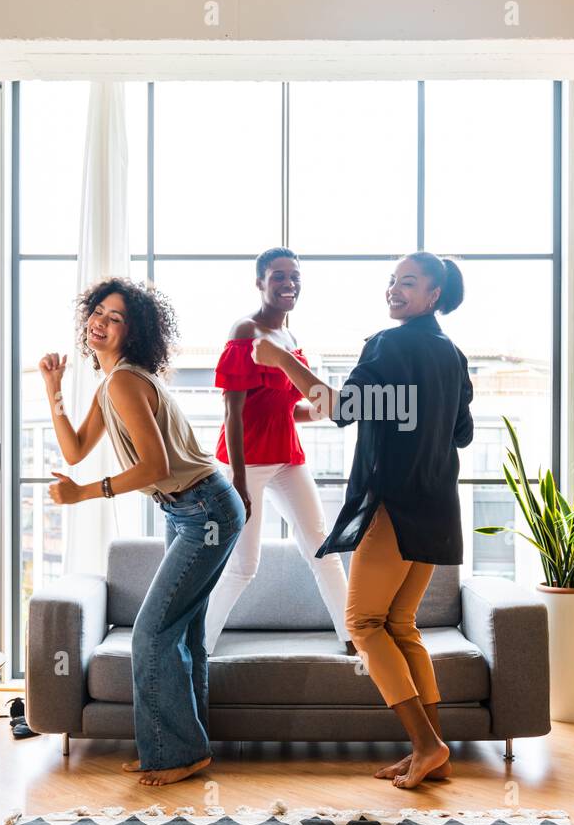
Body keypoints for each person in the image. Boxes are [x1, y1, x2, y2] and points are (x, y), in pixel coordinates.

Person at [252, 252, 473, 789]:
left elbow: (341, 406)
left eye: (409, 282)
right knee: (401, 625)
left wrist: (279, 359)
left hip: (395, 506)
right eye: (392, 281)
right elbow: (459, 432)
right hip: (438, 507)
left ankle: (425, 744)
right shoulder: (453, 354)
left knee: (364, 625)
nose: (394, 290)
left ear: (433, 294)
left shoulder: (389, 343)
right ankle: (433, 751)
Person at [40, 277, 245, 786]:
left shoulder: (126, 382)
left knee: (152, 633)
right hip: (192, 511)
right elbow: (75, 449)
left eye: (114, 318)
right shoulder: (112, 382)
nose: (100, 323)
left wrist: (82, 493)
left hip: (205, 511)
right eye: (97, 312)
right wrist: (53, 391)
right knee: (184, 633)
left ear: (133, 332)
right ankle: (180, 747)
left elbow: (152, 466)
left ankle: (174, 751)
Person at [205, 248, 352, 654]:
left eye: (295, 276)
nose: (289, 284)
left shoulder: (291, 338)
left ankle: (353, 638)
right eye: (278, 276)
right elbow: (232, 411)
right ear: (260, 283)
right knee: (243, 567)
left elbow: (290, 409)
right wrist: (237, 481)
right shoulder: (245, 332)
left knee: (322, 547)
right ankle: (199, 646)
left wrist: (325, 411)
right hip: (245, 461)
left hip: (287, 457)